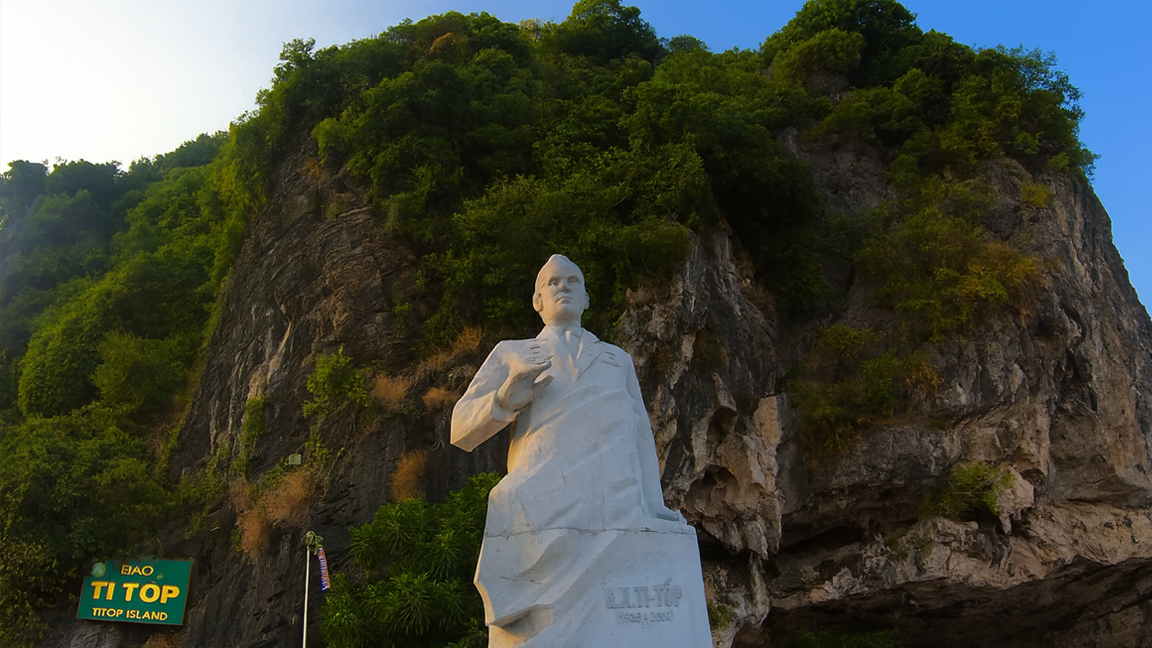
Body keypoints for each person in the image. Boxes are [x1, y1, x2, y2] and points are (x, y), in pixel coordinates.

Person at [452, 254, 685, 643]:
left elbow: (640, 435)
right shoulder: (513, 352)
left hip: (615, 505)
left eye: (572, 281)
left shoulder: (617, 359)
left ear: (587, 298)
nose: (563, 287)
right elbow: (461, 428)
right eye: (553, 282)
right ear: (537, 300)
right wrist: (505, 400)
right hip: (543, 504)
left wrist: (653, 506)